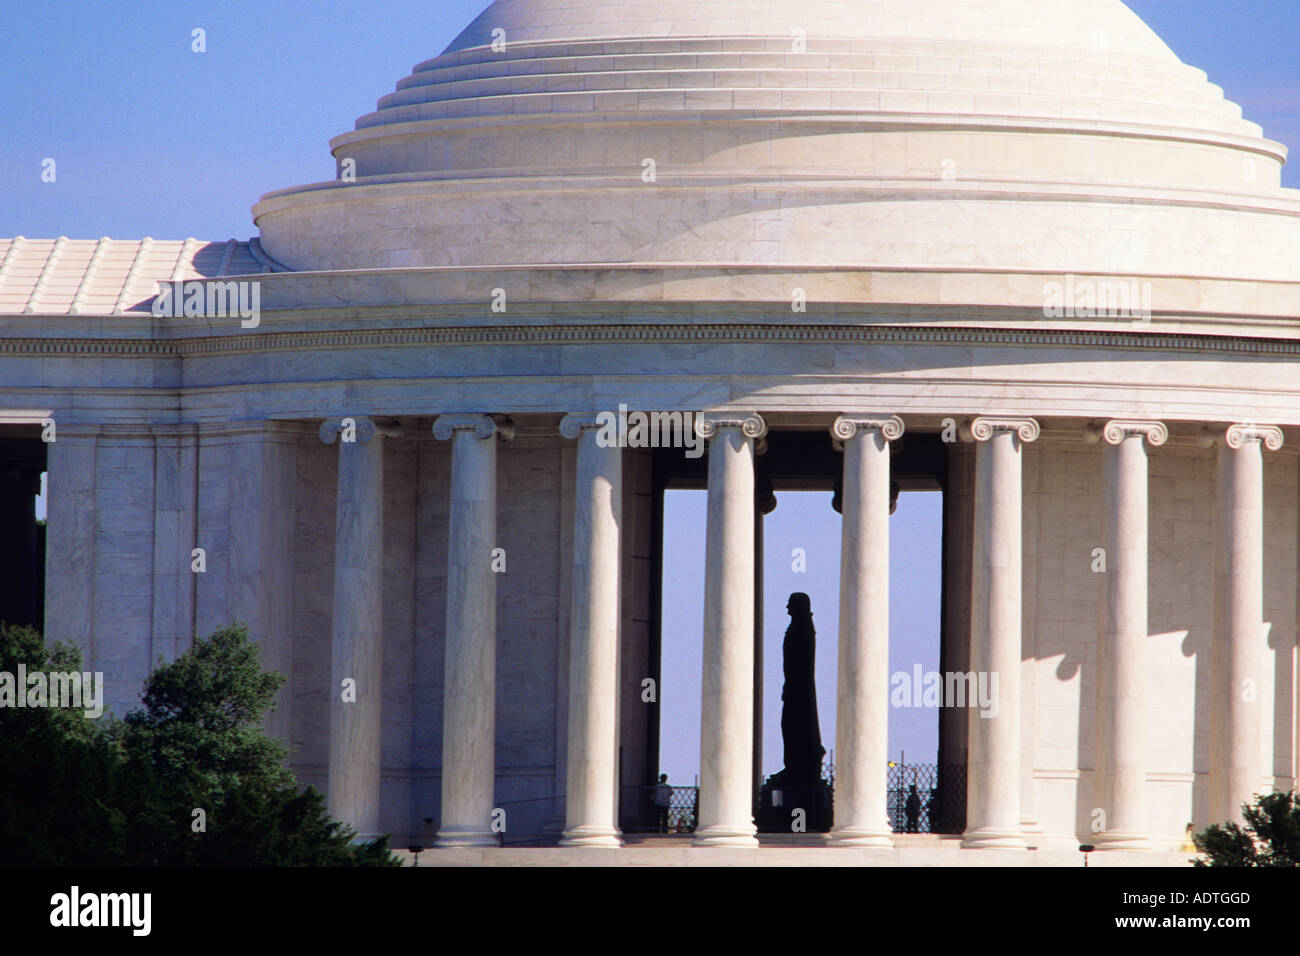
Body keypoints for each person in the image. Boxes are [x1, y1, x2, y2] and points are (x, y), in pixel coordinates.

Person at [780, 593, 825, 787]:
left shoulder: (802, 628)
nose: (787, 608)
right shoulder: (802, 627)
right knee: (789, 726)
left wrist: (792, 685)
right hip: (794, 686)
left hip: (797, 689)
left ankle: (797, 765)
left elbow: (799, 662)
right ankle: (793, 765)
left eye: (790, 604)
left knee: (792, 725)